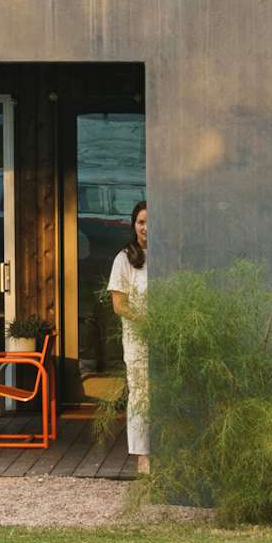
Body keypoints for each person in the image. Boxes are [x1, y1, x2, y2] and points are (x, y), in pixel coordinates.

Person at [107, 201, 149, 472]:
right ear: (134, 225)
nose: (146, 227)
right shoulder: (125, 258)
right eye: (141, 222)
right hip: (139, 339)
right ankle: (144, 458)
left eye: (150, 221)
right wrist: (147, 322)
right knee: (142, 395)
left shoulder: (169, 253)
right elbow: (119, 305)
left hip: (170, 337)